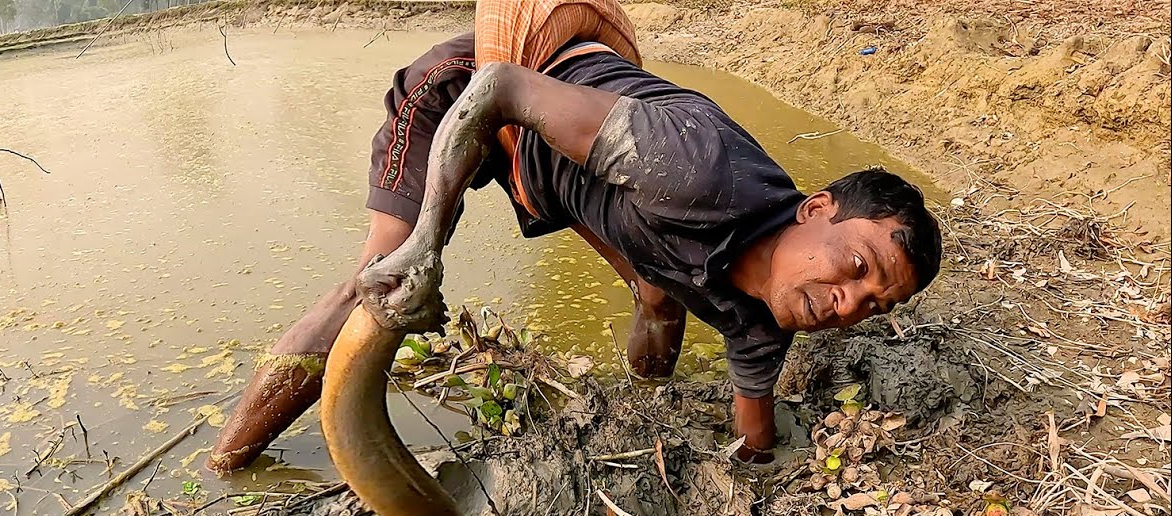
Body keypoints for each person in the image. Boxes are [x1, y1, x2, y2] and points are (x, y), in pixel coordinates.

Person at [207, 0, 941, 474]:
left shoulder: (766, 326)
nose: (847, 304)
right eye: (856, 266)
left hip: (565, 166)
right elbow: (499, 89)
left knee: (660, 299)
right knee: (378, 283)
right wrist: (426, 241)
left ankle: (641, 393)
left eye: (873, 306)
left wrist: (755, 465)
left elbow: (755, 437)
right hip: (484, 89)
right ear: (815, 210)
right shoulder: (692, 166)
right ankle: (226, 464)